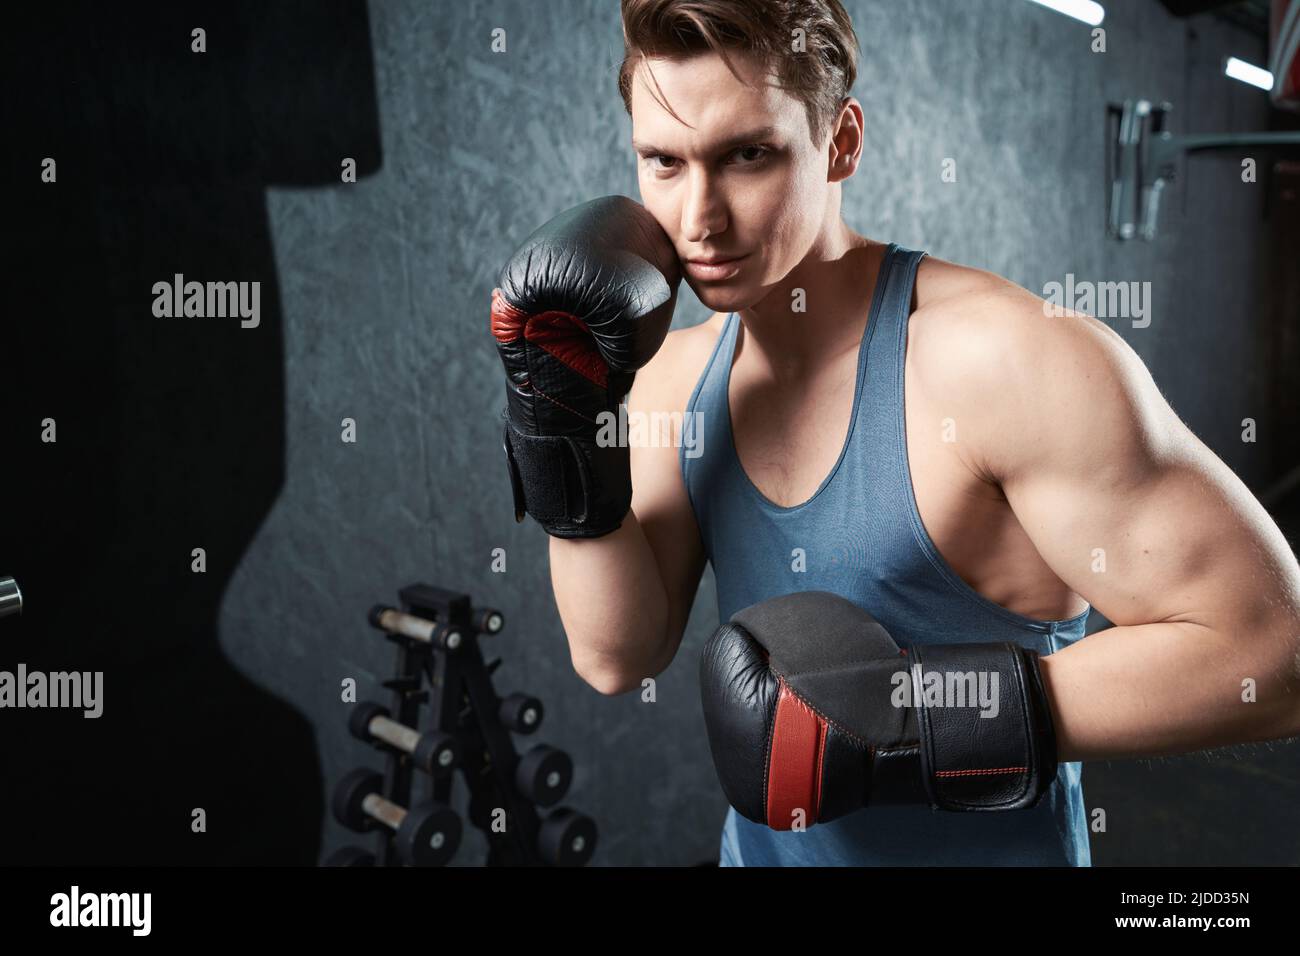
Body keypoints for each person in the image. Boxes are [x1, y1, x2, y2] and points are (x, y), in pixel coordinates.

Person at [491, 0, 1300, 866]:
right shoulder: (672, 380)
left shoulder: (1010, 362)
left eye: (748, 155)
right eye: (663, 161)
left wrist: (913, 721)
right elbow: (618, 655)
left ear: (840, 142)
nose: (700, 218)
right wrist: (560, 425)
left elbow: (1273, 655)